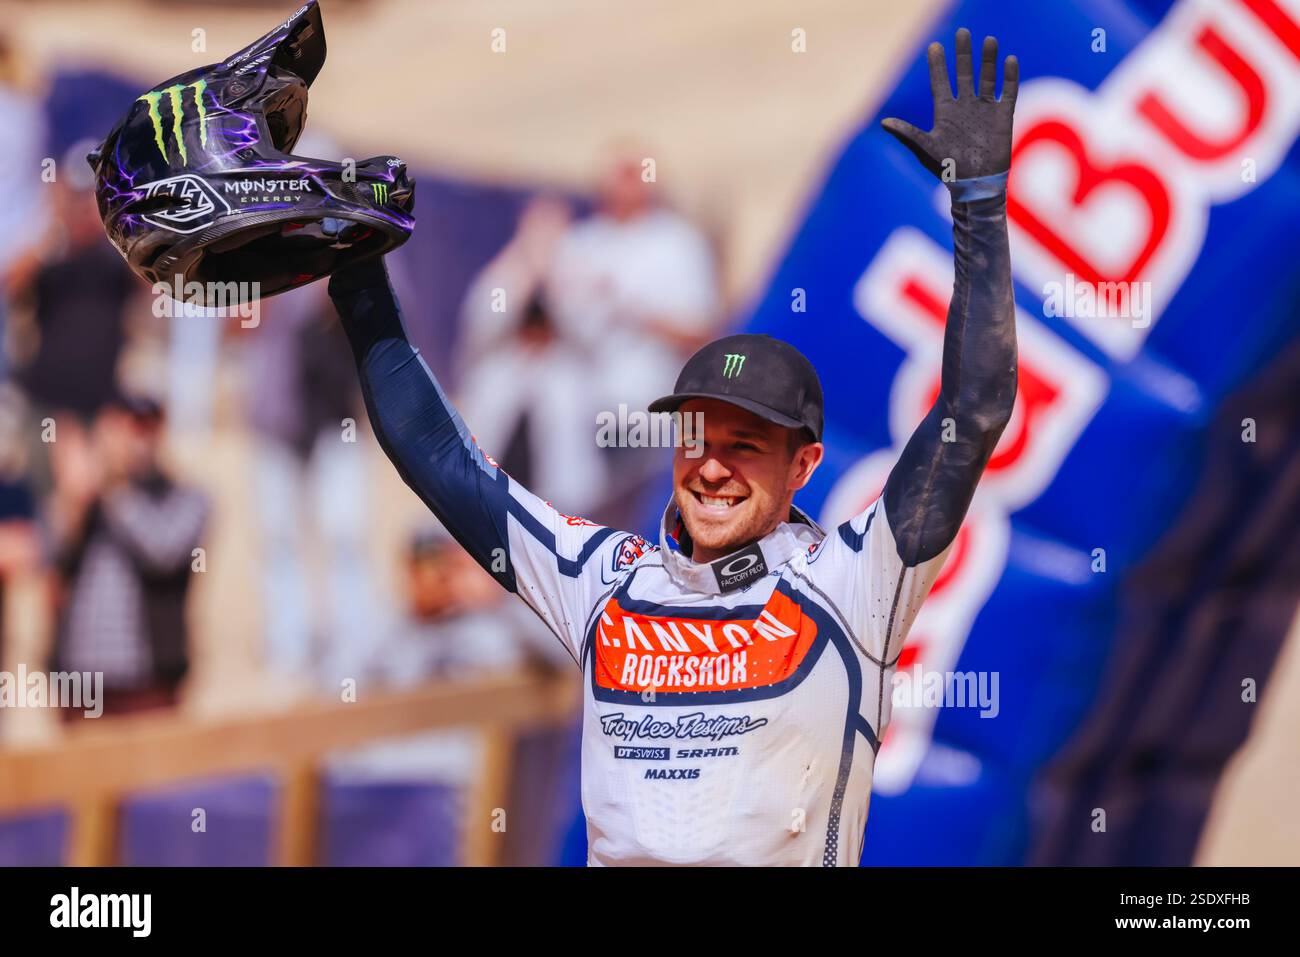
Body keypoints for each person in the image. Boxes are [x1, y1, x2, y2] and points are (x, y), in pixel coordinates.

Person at [326, 30, 1018, 866]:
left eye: (747, 444)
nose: (713, 465)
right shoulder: (603, 578)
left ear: (804, 465)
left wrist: (979, 207)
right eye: (696, 435)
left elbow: (973, 407)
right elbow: (438, 457)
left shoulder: (854, 580)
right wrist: (359, 279)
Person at [46, 392, 209, 719]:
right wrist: (72, 498)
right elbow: (49, 557)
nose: (134, 440)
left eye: (145, 427)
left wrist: (112, 485)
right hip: (80, 682)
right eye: (122, 427)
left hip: (148, 681)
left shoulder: (188, 497)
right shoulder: (85, 500)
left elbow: (163, 549)